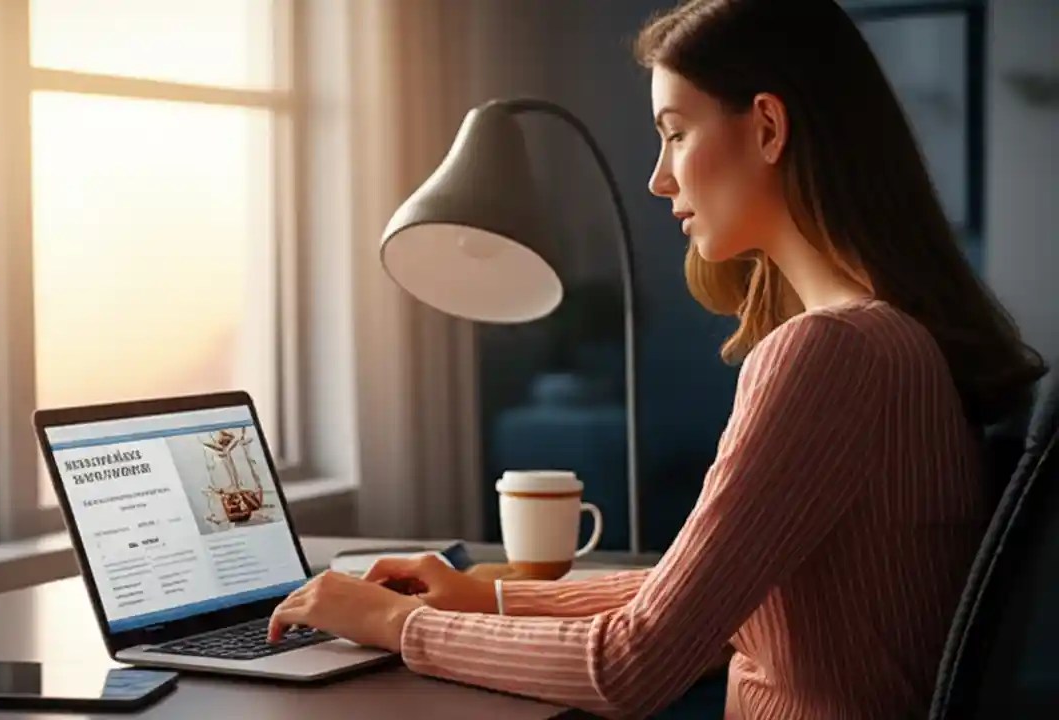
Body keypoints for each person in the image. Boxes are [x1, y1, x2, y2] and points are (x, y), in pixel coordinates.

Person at [265, 0, 1047, 716]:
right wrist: (480, 599)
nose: (658, 175)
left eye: (675, 132)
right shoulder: (895, 339)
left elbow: (634, 662)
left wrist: (397, 624)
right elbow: (711, 600)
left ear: (768, 128)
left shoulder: (828, 353)